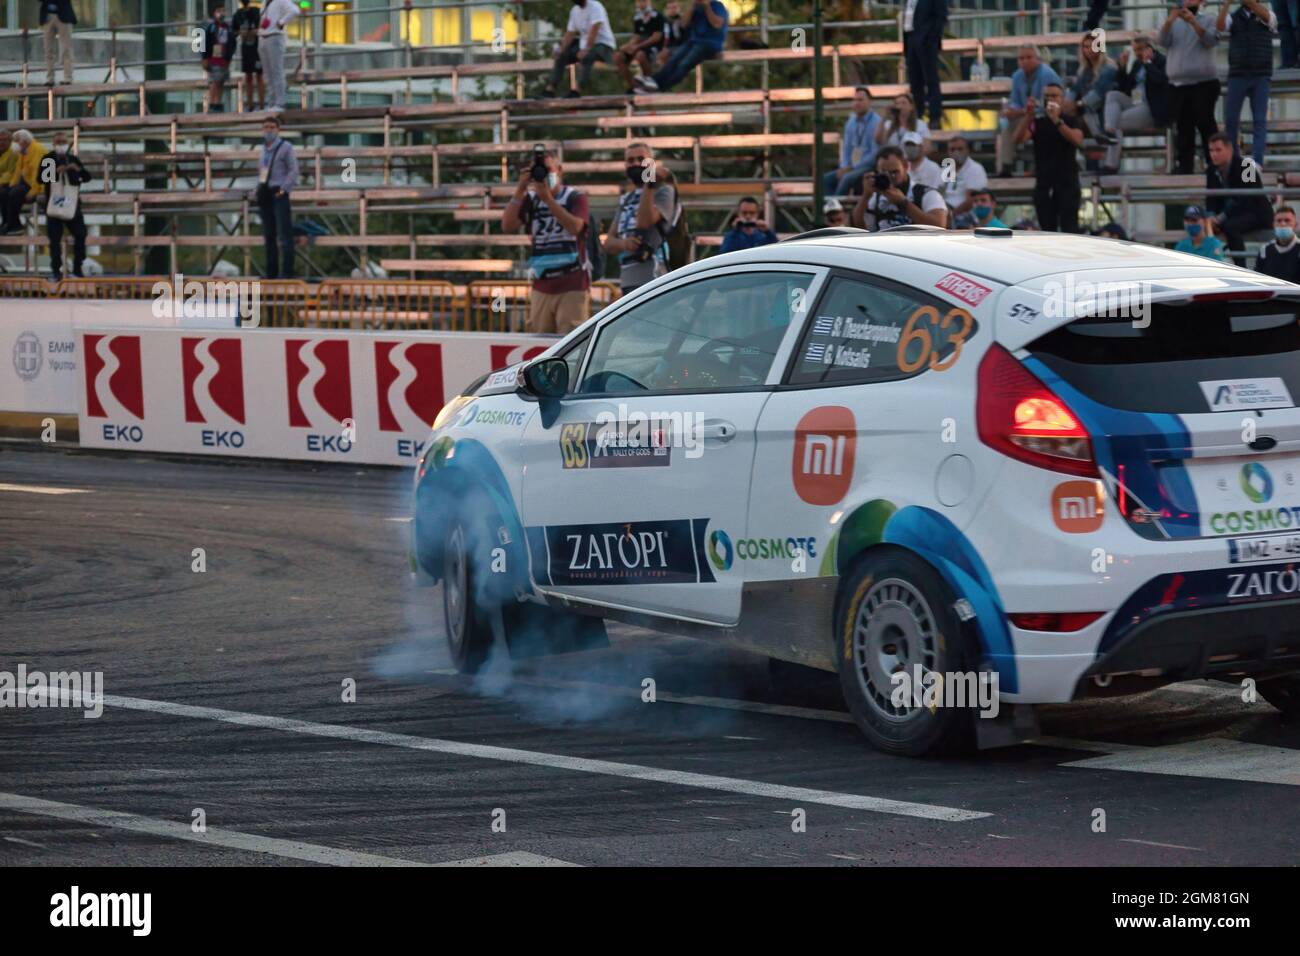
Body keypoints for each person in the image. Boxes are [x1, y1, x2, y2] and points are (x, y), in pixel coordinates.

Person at [503, 148, 591, 333]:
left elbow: (576, 228)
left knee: (571, 341)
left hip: (572, 282)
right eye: (539, 171)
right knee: (540, 345)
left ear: (559, 170)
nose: (543, 175)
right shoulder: (532, 200)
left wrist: (549, 200)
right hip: (541, 283)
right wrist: (520, 189)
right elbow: (507, 225)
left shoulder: (575, 197)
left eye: (548, 170)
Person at [1158, 0, 1221, 174]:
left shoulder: (1209, 18)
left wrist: (1193, 22)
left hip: (1203, 83)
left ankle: (1213, 164)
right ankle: (1185, 166)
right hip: (1178, 84)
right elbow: (1162, 42)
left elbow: (1211, 40)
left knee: (1205, 123)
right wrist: (1169, 22)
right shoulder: (1172, 20)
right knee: (1183, 127)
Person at [606, 142, 677, 294]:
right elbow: (609, 243)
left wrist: (649, 183)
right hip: (628, 277)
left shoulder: (664, 191)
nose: (636, 164)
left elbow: (644, 222)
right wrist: (624, 244)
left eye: (641, 159)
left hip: (654, 277)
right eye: (630, 161)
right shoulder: (626, 198)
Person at [1017, 82, 1084, 233]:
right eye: (1046, 96)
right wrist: (1028, 116)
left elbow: (1077, 139)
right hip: (1044, 183)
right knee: (1047, 229)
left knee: (1070, 228)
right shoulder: (1038, 122)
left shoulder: (1071, 120)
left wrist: (1057, 121)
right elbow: (1019, 139)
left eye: (1054, 96)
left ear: (1062, 99)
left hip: (1067, 182)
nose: (1050, 99)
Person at [1218, 0, 1278, 167]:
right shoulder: (1234, 16)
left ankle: (1256, 162)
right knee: (1231, 120)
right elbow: (1220, 26)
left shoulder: (1267, 13)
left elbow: (1268, 18)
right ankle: (1234, 161)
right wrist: (1226, 5)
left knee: (1259, 119)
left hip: (1261, 74)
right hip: (1238, 74)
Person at [1099, 35, 1171, 173]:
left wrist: (1148, 63)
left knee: (1117, 123)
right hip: (1135, 101)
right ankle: (1109, 129)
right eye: (1135, 50)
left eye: (1140, 49)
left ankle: (1111, 164)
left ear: (1149, 48)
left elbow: (1161, 81)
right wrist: (1123, 67)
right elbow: (1126, 88)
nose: (1137, 53)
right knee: (1112, 96)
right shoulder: (1137, 64)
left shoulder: (1162, 61)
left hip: (1151, 107)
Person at [1207, 131, 1273, 263]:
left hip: (1256, 213)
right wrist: (1211, 216)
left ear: (1229, 149)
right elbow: (1211, 197)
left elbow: (1248, 199)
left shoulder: (1247, 165)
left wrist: (1221, 218)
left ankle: (1241, 267)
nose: (1214, 154)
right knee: (1203, 226)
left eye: (1218, 150)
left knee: (1230, 227)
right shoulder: (1211, 170)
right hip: (1231, 215)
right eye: (1211, 150)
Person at [635, 0, 728, 93]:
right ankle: (653, 81)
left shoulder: (717, 6)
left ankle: (659, 87)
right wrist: (691, 7)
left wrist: (707, 7)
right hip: (694, 41)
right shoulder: (696, 8)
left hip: (709, 43)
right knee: (674, 59)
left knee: (684, 64)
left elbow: (717, 24)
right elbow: (683, 24)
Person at [999, 45, 1064, 175]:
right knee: (1004, 123)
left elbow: (1048, 105)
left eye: (1029, 57)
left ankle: (1038, 164)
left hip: (1047, 116)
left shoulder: (1047, 75)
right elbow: (1015, 101)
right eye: (1021, 58)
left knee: (1037, 123)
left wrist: (1021, 112)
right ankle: (1006, 165)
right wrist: (1011, 111)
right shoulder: (1017, 76)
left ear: (1038, 59)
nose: (1024, 61)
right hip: (1026, 117)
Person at [850, 145, 947, 231]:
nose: (890, 177)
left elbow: (939, 226)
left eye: (894, 172)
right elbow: (859, 229)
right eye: (884, 173)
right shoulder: (876, 196)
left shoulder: (926, 193)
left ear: (906, 166)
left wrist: (904, 204)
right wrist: (865, 196)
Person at [542, 0, 617, 98]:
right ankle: (550, 89)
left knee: (587, 56)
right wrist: (560, 50)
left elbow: (595, 29)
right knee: (562, 56)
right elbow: (570, 33)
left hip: (603, 45)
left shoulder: (596, 7)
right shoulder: (574, 11)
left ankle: (576, 90)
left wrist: (587, 48)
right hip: (584, 45)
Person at [44, 130, 91, 281]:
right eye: (58, 143)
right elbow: (43, 179)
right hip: (55, 204)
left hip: (72, 204)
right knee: (54, 239)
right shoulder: (48, 159)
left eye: (63, 142)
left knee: (81, 234)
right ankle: (56, 270)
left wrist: (77, 170)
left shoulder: (73, 159)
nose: (61, 145)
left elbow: (87, 177)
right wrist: (56, 172)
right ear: (53, 144)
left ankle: (78, 267)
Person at [257, 116, 298, 278]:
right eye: (266, 127)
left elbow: (293, 170)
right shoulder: (263, 150)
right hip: (266, 191)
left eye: (272, 127)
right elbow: (262, 172)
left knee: (284, 234)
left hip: (278, 191)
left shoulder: (285, 147)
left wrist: (284, 189)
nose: (268, 130)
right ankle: (271, 272)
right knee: (269, 235)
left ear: (278, 129)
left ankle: (287, 273)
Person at [824, 86, 880, 196]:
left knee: (846, 178)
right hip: (851, 166)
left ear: (869, 102)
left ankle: (837, 209)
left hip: (868, 166)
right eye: (854, 100)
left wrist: (852, 168)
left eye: (860, 100)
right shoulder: (851, 122)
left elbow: (875, 154)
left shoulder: (876, 122)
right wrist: (844, 167)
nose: (857, 103)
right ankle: (830, 209)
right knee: (825, 180)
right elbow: (847, 149)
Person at [903, 0, 948, 127]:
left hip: (926, 41)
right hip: (910, 38)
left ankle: (934, 116)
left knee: (931, 80)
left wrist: (931, 38)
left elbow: (941, 16)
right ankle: (918, 114)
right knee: (915, 80)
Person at [1065, 31, 1117, 137]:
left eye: (1092, 46)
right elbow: (1075, 89)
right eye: (1085, 46)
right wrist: (1067, 103)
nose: (1088, 50)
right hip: (1087, 111)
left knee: (1069, 126)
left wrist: (1077, 104)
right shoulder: (1084, 70)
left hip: (1101, 112)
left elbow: (1098, 94)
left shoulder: (1109, 68)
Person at [1, 130, 48, 234]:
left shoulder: (37, 150)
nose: (14, 144)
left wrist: (33, 192)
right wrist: (11, 186)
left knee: (15, 193)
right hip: (29, 183)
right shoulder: (23, 152)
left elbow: (39, 175)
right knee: (4, 193)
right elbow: (17, 171)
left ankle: (14, 225)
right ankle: (7, 223)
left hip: (41, 188)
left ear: (25, 141)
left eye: (16, 141)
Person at [258, 0, 301, 113]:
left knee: (276, 71)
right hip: (263, 36)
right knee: (268, 73)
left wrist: (281, 22)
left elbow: (295, 10)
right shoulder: (264, 2)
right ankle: (271, 102)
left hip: (275, 36)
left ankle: (280, 103)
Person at [615, 0, 665, 96]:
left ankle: (648, 82)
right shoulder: (637, 17)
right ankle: (633, 86)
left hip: (652, 47)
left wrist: (637, 46)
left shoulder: (657, 16)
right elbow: (637, 35)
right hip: (639, 46)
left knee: (640, 55)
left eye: (643, 1)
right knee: (618, 56)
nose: (641, 4)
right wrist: (629, 45)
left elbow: (656, 37)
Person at [942, 135, 988, 228]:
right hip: (945, 211)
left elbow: (971, 201)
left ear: (967, 150)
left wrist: (950, 215)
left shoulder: (975, 169)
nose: (956, 152)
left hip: (964, 216)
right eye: (952, 149)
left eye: (960, 149)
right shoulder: (945, 169)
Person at [201, 3, 236, 112]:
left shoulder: (227, 28)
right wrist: (205, 58)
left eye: (223, 11)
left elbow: (232, 43)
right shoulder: (210, 27)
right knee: (215, 81)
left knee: (221, 82)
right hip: (213, 58)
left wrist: (229, 58)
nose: (221, 13)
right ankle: (212, 103)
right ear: (214, 13)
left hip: (224, 59)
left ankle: (218, 102)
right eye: (219, 11)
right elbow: (204, 43)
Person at [232, 0, 265, 112]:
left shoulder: (257, 11)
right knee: (248, 76)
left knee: (260, 75)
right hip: (246, 48)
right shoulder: (237, 14)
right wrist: (241, 33)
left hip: (257, 47)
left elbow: (263, 26)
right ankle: (250, 105)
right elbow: (233, 31)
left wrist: (256, 31)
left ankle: (262, 104)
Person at [1256, 206, 1300, 280]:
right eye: (1279, 221)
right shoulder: (1265, 251)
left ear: (1296, 225)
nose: (1283, 224)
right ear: (1273, 225)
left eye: (1287, 220)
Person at [39, 0, 76, 86]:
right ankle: (50, 78)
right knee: (48, 49)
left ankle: (68, 78)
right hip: (47, 16)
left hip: (63, 15)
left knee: (66, 48)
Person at [656, 0, 687, 68]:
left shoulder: (683, 20)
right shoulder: (665, 22)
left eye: (674, 7)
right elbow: (664, 37)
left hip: (681, 46)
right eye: (670, 8)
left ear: (679, 8)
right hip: (668, 47)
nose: (672, 10)